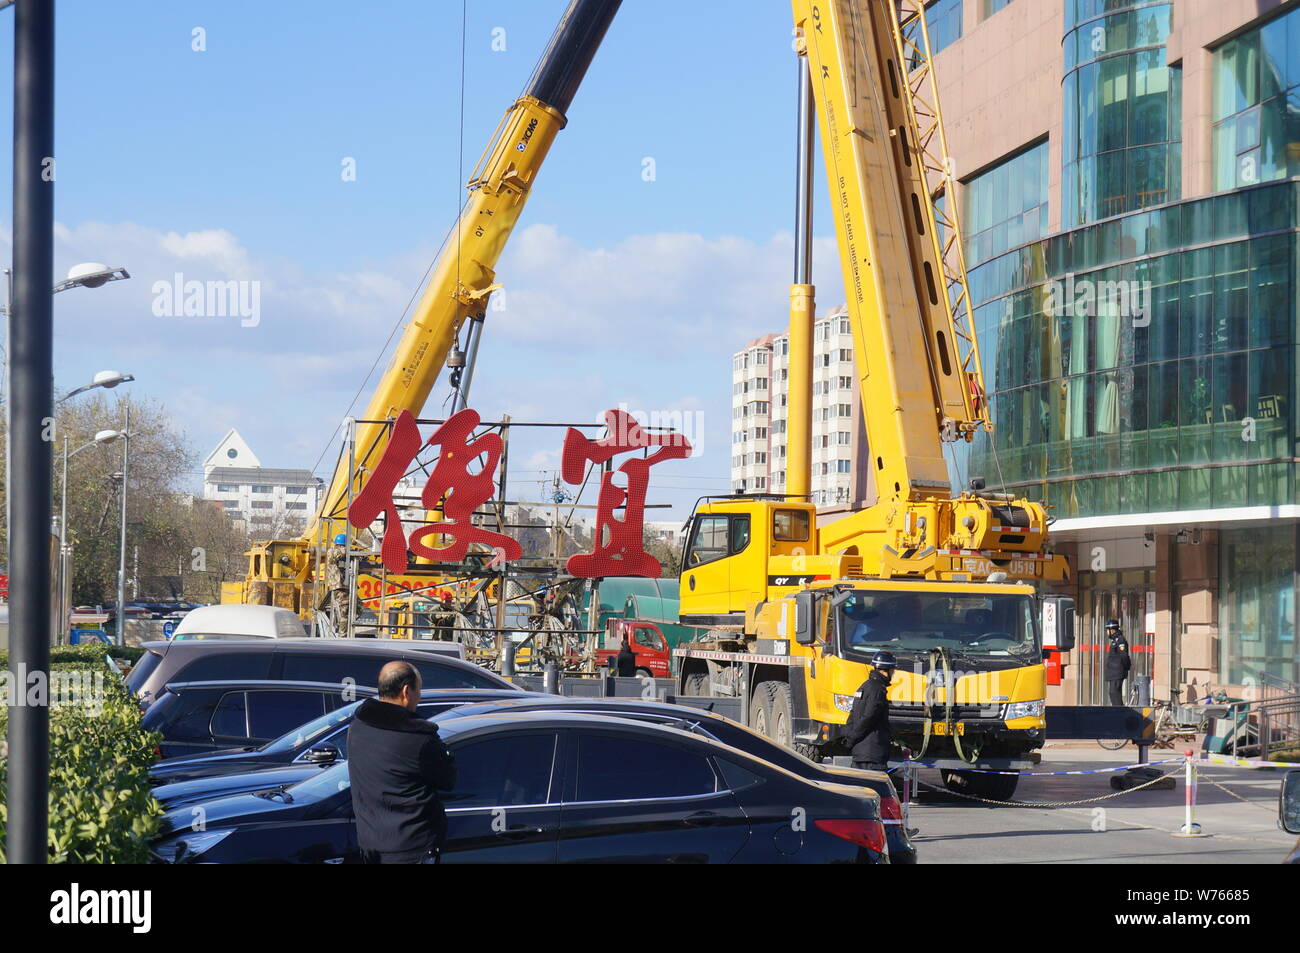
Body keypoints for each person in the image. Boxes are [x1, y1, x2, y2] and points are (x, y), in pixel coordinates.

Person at [348, 660, 456, 864]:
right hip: (412, 847)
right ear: (406, 691)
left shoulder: (358, 727)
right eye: (419, 690)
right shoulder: (419, 739)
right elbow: (448, 778)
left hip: (370, 844)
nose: (419, 697)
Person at [844, 651, 896, 772]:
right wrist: (853, 738)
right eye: (892, 670)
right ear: (885, 670)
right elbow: (869, 717)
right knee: (873, 790)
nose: (893, 673)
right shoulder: (878, 689)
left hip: (860, 752)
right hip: (872, 754)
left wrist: (850, 739)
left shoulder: (865, 686)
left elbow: (852, 715)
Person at [1103, 619, 1131, 706]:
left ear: (1112, 630)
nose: (1107, 632)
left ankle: (1120, 713)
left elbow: (1124, 656)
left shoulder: (1120, 640)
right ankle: (1117, 711)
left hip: (1117, 672)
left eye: (1108, 630)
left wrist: (1125, 667)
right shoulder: (1115, 640)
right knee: (1113, 694)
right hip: (1113, 672)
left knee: (1115, 693)